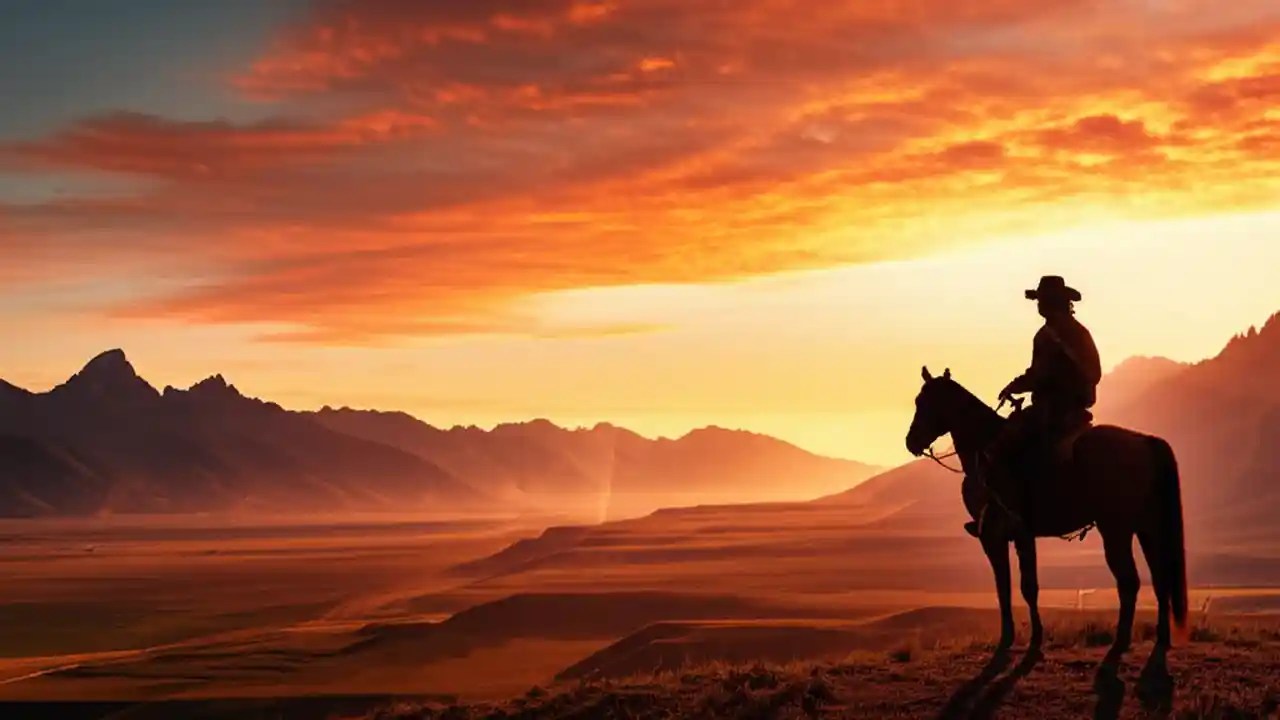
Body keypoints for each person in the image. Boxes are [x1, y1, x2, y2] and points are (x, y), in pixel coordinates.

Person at [964, 276, 1102, 538]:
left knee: (999, 447)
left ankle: (1010, 514)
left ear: (1050, 303)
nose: (1038, 306)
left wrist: (1017, 385)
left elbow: (1040, 374)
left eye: (1041, 301)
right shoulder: (1078, 331)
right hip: (1073, 407)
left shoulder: (1049, 334)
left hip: (1053, 408)